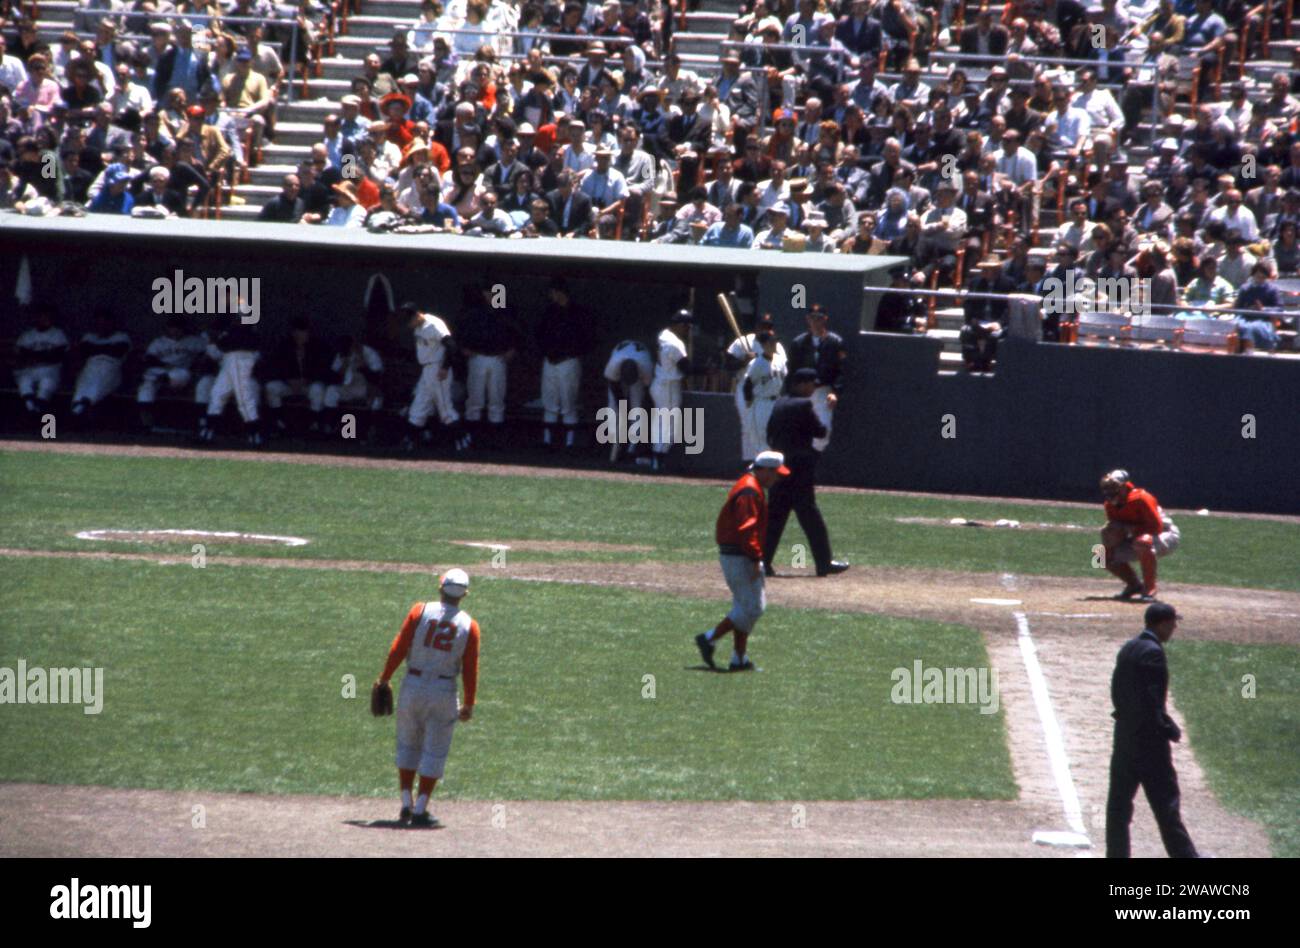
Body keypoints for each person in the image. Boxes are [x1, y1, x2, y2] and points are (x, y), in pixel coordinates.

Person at [372, 568, 479, 828]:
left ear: (440, 588)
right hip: (444, 691)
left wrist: (384, 677)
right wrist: (469, 702)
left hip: (413, 685)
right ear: (464, 594)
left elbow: (399, 646)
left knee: (408, 743)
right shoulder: (469, 625)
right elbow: (470, 668)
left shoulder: (419, 611)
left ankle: (406, 803)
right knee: (435, 750)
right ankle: (420, 809)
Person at [1106, 601, 1199, 859]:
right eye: (1172, 623)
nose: (1175, 628)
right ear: (1162, 623)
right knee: (1166, 804)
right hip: (1149, 743)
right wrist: (1168, 728)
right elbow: (1152, 700)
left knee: (1118, 806)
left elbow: (1117, 691)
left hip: (1124, 737)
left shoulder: (1129, 648)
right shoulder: (1153, 653)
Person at [695, 450, 791, 672]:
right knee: (753, 607)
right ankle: (709, 638)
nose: (777, 479)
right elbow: (747, 528)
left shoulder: (751, 485)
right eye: (776, 474)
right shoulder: (750, 490)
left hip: (737, 553)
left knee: (743, 606)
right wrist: (756, 558)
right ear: (765, 470)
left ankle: (738, 658)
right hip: (739, 555)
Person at [762, 367, 849, 578]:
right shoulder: (803, 405)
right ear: (801, 384)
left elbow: (769, 434)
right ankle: (824, 562)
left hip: (780, 469)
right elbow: (819, 431)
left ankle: (763, 562)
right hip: (800, 468)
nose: (813, 388)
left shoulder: (780, 402)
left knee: (775, 517)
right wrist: (828, 410)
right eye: (811, 383)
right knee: (810, 517)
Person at [1099, 470, 1180, 601]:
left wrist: (1127, 528)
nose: (1110, 492)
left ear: (1124, 486)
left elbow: (1156, 527)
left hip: (1166, 534)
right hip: (1138, 537)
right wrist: (1110, 537)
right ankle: (1133, 585)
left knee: (1142, 542)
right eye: (1107, 488)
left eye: (1113, 487)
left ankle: (1150, 589)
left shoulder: (1141, 498)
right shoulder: (1109, 506)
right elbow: (1116, 531)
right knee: (1099, 556)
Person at [457, 285, 522, 445]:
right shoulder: (473, 311)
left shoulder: (505, 312)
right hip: (477, 357)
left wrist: (513, 349)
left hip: (498, 359)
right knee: (475, 399)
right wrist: (463, 348)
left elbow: (517, 332)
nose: (489, 295)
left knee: (496, 399)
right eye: (486, 292)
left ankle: (495, 440)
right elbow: (460, 331)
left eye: (492, 292)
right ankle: (472, 438)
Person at [401, 301, 469, 453]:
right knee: (418, 406)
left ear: (417, 315)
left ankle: (463, 439)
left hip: (438, 369)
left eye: (410, 319)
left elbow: (451, 346)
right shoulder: (418, 327)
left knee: (445, 409)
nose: (409, 324)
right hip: (427, 370)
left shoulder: (434, 324)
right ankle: (410, 441)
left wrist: (445, 367)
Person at [535, 277, 594, 450]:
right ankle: (547, 440)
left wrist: (574, 352)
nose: (551, 295)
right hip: (550, 361)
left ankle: (570, 442)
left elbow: (588, 339)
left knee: (569, 402)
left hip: (569, 361)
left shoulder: (578, 313)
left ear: (560, 292)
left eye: (553, 292)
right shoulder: (548, 312)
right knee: (549, 401)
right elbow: (539, 335)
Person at [787, 305, 845, 452]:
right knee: (798, 429)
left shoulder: (835, 342)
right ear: (807, 319)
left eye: (819, 318)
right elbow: (792, 370)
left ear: (825, 319)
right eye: (812, 318)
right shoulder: (798, 343)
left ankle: (814, 459)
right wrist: (791, 394)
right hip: (802, 391)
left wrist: (835, 392)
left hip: (822, 391)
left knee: (823, 430)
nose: (815, 322)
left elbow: (841, 370)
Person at [263, 316, 332, 435]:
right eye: (296, 333)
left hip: (308, 385)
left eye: (302, 333)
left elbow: (322, 369)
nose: (299, 336)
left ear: (308, 333)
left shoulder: (317, 347)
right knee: (271, 387)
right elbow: (275, 366)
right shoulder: (284, 346)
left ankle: (314, 424)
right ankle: (278, 422)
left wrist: (308, 380)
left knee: (318, 389)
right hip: (289, 385)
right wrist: (288, 380)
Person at [197, 321, 262, 447]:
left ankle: (255, 435)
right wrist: (213, 339)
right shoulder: (227, 318)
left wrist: (215, 338)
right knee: (217, 394)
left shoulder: (245, 321)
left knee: (243, 397)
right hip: (229, 358)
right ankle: (207, 432)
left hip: (241, 357)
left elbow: (235, 337)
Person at [136, 319, 207, 430]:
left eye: (178, 328)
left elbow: (206, 356)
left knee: (180, 374)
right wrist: (165, 366)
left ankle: (162, 380)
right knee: (146, 387)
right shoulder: (159, 342)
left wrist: (196, 367)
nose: (175, 331)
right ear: (167, 329)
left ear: (184, 329)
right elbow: (149, 359)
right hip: (161, 370)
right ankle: (146, 424)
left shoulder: (195, 341)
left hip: (182, 372)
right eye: (172, 328)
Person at [648, 309, 691, 473]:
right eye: (686, 326)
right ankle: (658, 459)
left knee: (661, 423)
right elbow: (686, 367)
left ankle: (656, 459)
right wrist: (707, 370)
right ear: (678, 325)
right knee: (668, 425)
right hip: (668, 386)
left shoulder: (663, 335)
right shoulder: (674, 343)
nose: (688, 329)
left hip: (660, 383)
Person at [70, 310, 131, 423]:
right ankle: (77, 410)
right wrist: (106, 348)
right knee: (82, 387)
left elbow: (117, 352)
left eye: (105, 322)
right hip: (91, 367)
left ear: (112, 323)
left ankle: (77, 412)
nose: (102, 326)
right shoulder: (89, 336)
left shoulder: (121, 336)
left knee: (98, 385)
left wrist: (95, 349)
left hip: (111, 368)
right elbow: (83, 351)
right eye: (99, 323)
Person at [13, 305, 69, 423]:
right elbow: (22, 354)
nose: (43, 319)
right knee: (24, 381)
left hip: (50, 368)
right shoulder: (28, 335)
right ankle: (31, 410)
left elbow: (58, 354)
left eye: (47, 317)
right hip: (30, 369)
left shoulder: (58, 333)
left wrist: (36, 355)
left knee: (46, 383)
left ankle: (37, 411)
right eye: (41, 316)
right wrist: (43, 355)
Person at [602, 338, 654, 464]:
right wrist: (623, 411)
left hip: (639, 370)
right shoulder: (613, 366)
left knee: (637, 411)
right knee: (613, 411)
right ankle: (615, 443)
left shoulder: (646, 367)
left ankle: (632, 448)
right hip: (618, 370)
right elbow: (614, 387)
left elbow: (646, 396)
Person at [740, 332, 787, 463]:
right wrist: (749, 401)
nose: (774, 344)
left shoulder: (780, 360)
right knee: (762, 437)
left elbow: (785, 379)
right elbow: (747, 384)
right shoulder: (756, 363)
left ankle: (773, 470)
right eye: (771, 342)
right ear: (764, 345)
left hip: (777, 402)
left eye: (775, 341)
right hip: (762, 402)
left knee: (776, 437)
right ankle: (762, 469)